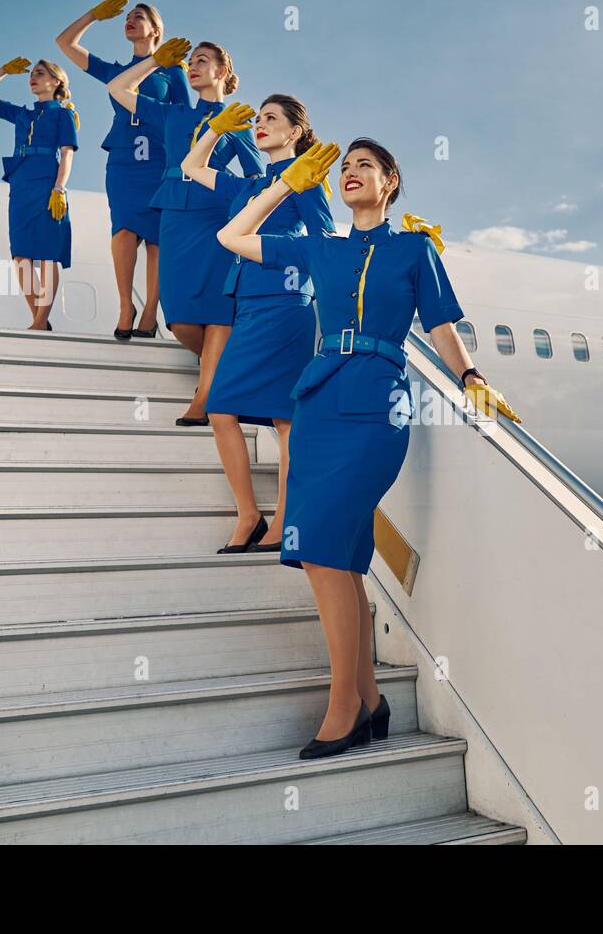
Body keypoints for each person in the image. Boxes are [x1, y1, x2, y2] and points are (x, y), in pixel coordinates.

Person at [216, 138, 520, 759]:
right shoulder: (319, 247)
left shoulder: (414, 247)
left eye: (366, 166)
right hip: (318, 401)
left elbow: (440, 326)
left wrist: (472, 379)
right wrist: (284, 185)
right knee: (339, 556)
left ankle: (345, 704)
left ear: (391, 182)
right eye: (344, 166)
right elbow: (232, 238)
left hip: (377, 403)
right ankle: (370, 699)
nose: (351, 172)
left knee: (325, 546)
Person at [182, 94, 333, 553]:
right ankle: (249, 514)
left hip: (286, 303)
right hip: (247, 305)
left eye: (272, 119)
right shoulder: (247, 186)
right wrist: (216, 129)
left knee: (283, 419)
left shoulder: (305, 182)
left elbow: (323, 241)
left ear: (294, 132)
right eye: (258, 118)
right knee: (221, 409)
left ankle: (283, 520)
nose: (261, 125)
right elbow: (191, 167)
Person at [109, 38, 264, 422]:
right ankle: (217, 370)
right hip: (174, 215)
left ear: (222, 72)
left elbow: (256, 177)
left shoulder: (238, 120)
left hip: (215, 217)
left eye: (202, 60)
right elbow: (117, 89)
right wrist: (153, 61)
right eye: (189, 61)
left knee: (217, 310)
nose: (192, 66)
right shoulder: (173, 114)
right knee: (178, 317)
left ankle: (204, 397)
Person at [56, 0, 191, 340]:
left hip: (160, 159)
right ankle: (125, 305)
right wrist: (93, 15)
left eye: (138, 16)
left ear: (155, 29)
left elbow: (184, 120)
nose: (129, 19)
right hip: (123, 159)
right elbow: (65, 44)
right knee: (123, 229)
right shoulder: (116, 71)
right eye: (127, 16)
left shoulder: (172, 70)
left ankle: (150, 311)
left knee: (158, 239)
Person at [0, 58, 79, 331]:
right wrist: (4, 70)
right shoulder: (22, 114)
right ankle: (39, 320)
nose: (33, 77)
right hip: (20, 184)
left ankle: (40, 321)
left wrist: (60, 188)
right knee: (20, 256)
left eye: (40, 73)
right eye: (31, 73)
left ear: (56, 82)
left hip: (47, 183)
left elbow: (67, 153)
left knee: (47, 254)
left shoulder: (63, 113)